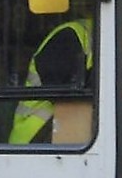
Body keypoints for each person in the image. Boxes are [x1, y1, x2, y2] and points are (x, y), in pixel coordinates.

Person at [9, 12, 93, 145]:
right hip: (35, 140)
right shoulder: (69, 37)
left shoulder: (108, 44)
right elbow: (61, 91)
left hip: (59, 138)